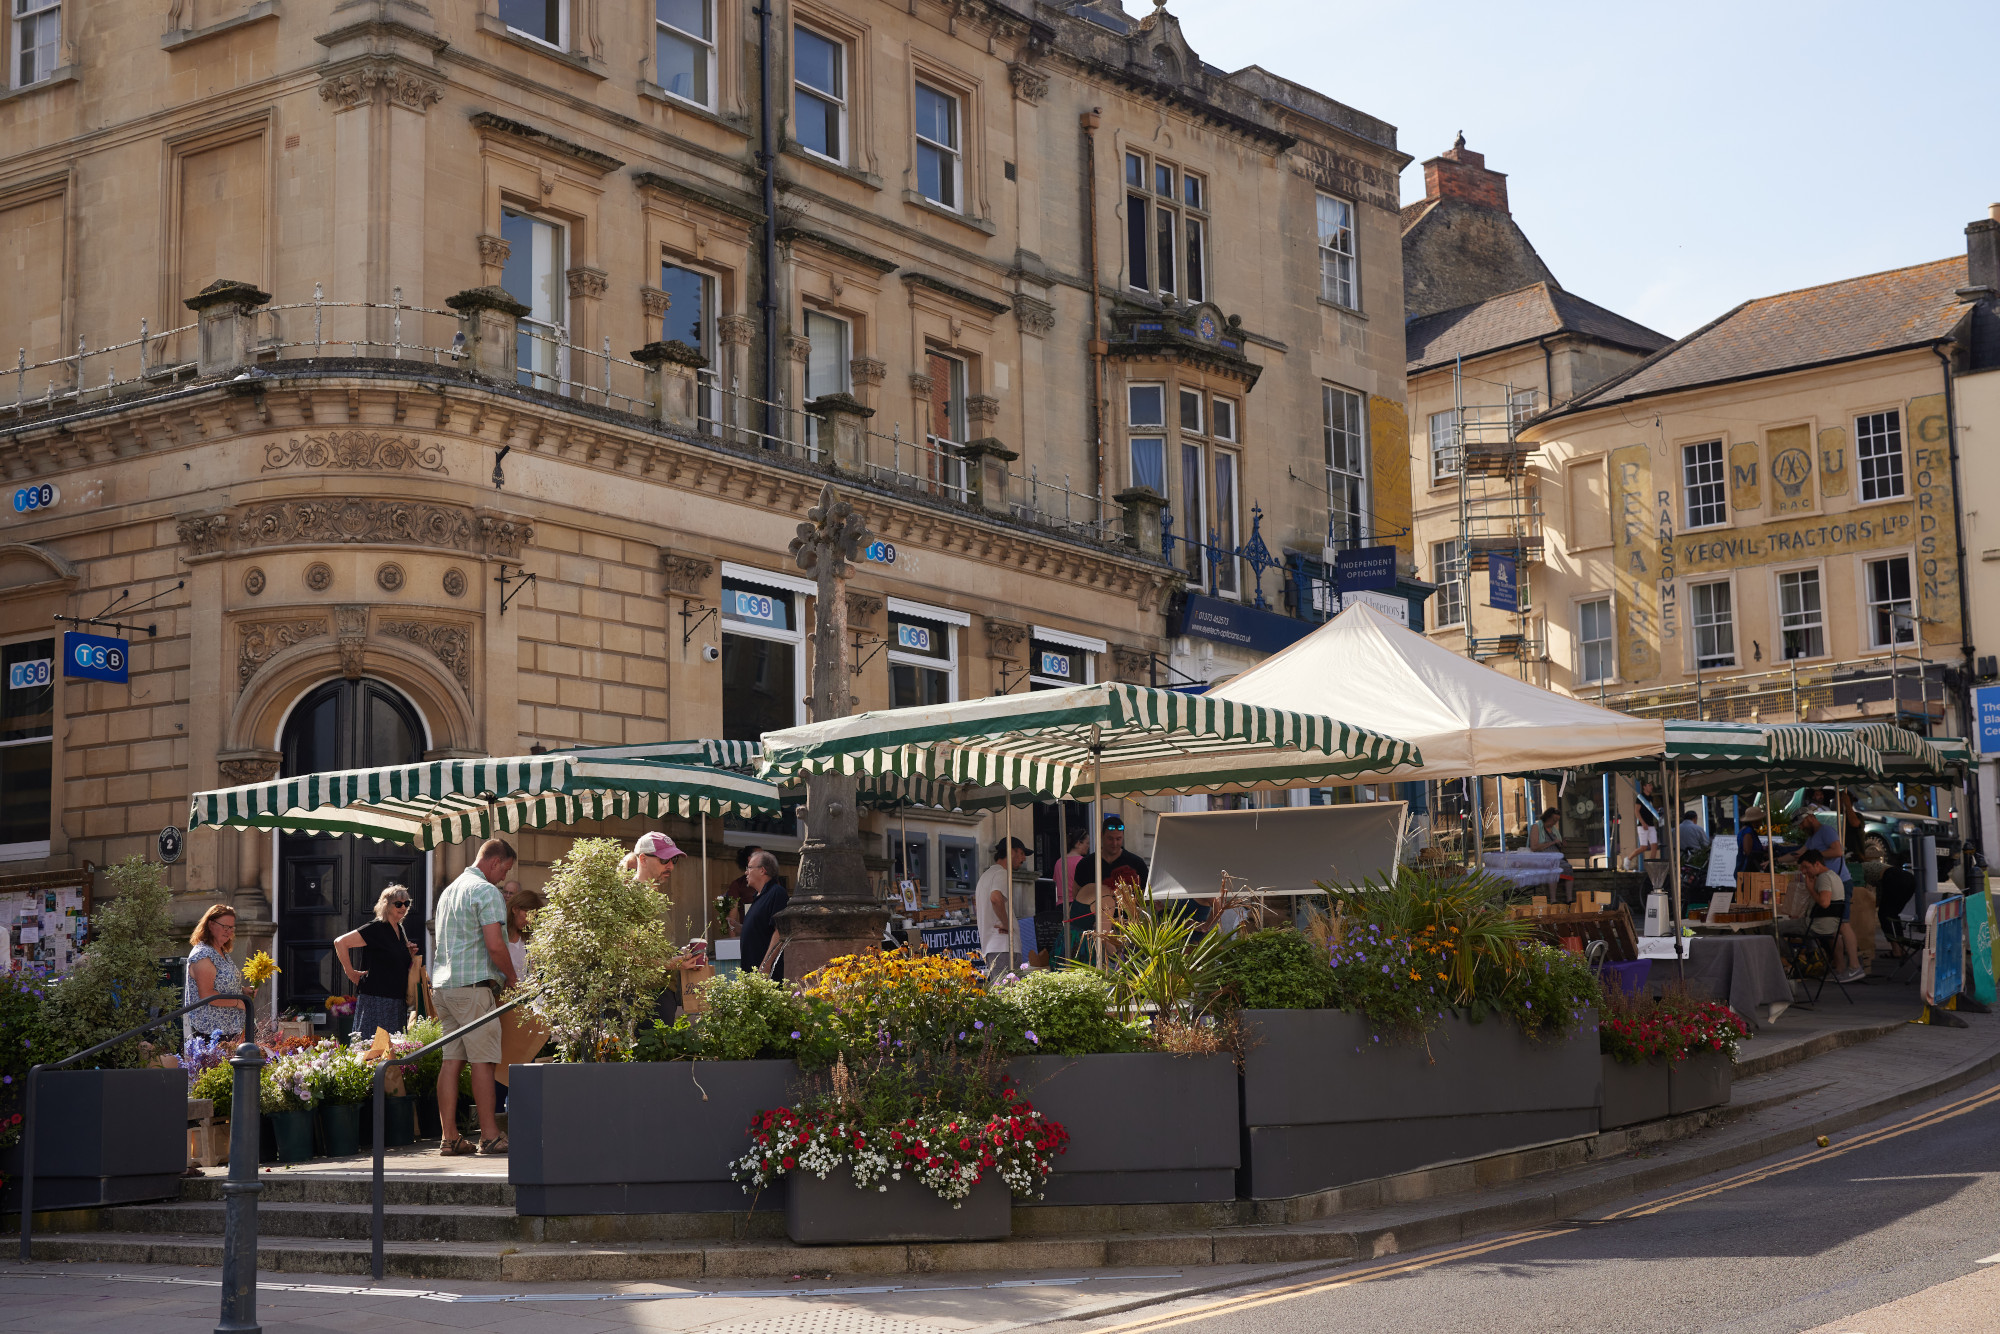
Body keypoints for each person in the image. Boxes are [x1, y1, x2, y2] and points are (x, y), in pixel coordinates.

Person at [431, 837, 518, 1157]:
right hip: (473, 989)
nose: (503, 877)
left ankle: (449, 1137)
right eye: (504, 869)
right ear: (494, 862)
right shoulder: (486, 891)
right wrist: (512, 977)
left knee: (451, 1061)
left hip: (444, 987)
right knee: (484, 1061)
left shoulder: (449, 891)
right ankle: (491, 1136)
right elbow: (496, 945)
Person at [333, 886, 419, 1039]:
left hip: (396, 1001)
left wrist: (408, 953)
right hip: (376, 999)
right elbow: (340, 942)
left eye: (406, 903)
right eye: (398, 904)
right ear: (386, 905)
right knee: (371, 1048)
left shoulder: (400, 929)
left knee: (393, 1051)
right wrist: (350, 972)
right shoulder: (376, 928)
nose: (403, 907)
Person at [1793, 810, 1860, 981]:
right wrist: (1775, 859)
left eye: (1801, 824)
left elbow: (1838, 851)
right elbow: (1800, 854)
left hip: (1840, 881)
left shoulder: (1826, 831)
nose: (1800, 828)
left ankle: (1855, 967)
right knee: (1832, 927)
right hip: (1827, 880)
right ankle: (1839, 968)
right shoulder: (1812, 838)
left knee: (1843, 924)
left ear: (1809, 818)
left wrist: (1815, 856)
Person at [1070, 814, 1149, 954]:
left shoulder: (1136, 864)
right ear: (1101, 836)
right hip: (1091, 931)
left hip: (1128, 930)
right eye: (1110, 838)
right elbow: (1076, 895)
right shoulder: (1086, 864)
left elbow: (1145, 897)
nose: (1115, 843)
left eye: (1119, 839)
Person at [183, 905, 253, 1048]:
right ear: (210, 924)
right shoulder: (203, 955)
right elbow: (208, 994)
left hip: (230, 1029)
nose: (228, 932)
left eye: (231, 928)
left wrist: (242, 991)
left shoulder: (220, 951)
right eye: (225, 927)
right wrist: (238, 1002)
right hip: (211, 1033)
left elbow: (220, 983)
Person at [977, 837, 1029, 984]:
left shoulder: (986, 875)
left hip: (994, 947)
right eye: (1022, 853)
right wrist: (1006, 924)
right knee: (1007, 997)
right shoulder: (1001, 873)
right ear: (1011, 852)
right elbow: (996, 898)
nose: (1024, 858)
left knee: (1002, 994)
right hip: (1004, 946)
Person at [737, 850, 790, 982]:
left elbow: (780, 931)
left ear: (762, 870)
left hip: (766, 975)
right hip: (752, 972)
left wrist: (766, 965)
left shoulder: (777, 893)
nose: (746, 873)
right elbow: (760, 929)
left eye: (749, 868)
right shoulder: (758, 897)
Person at [1050, 831, 1089, 962]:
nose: (1088, 847)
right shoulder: (1083, 862)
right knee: (1079, 942)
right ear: (1078, 843)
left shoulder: (1058, 862)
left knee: (1064, 939)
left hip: (1060, 905)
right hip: (1077, 906)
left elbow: (1056, 882)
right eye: (1086, 843)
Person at [721, 845, 763, 935]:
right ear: (750, 860)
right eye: (761, 856)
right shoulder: (738, 885)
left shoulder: (772, 882)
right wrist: (734, 945)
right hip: (750, 936)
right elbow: (732, 921)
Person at [1737, 808, 1771, 874]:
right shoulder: (1748, 832)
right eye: (1760, 820)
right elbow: (1747, 851)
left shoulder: (1749, 830)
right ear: (1755, 820)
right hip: (1747, 869)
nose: (1761, 823)